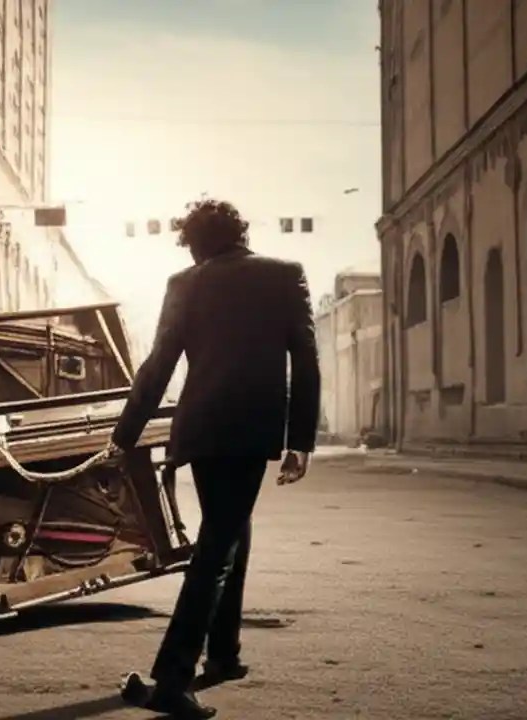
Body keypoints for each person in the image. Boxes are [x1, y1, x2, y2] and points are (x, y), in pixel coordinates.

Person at [108, 198, 321, 719]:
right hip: (253, 428)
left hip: (201, 429)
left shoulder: (185, 284)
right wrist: (301, 441)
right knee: (218, 546)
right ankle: (172, 680)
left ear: (195, 244)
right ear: (241, 235)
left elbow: (157, 366)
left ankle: (224, 654)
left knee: (228, 529)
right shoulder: (285, 276)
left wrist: (125, 434)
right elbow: (307, 362)